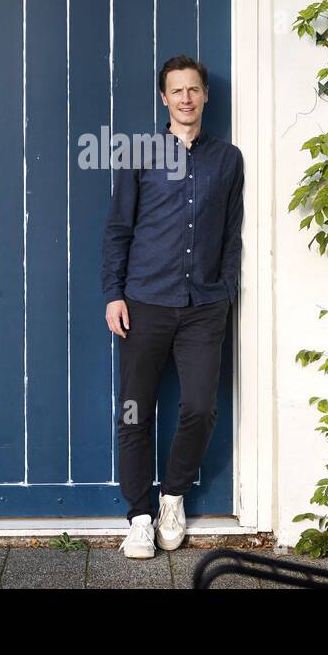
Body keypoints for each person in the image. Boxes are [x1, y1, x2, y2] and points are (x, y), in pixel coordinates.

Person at [101, 55, 244, 559]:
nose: (186, 98)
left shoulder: (228, 159)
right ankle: (139, 516)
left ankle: (173, 498)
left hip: (205, 305)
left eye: (194, 89)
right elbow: (119, 228)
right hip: (145, 302)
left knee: (201, 408)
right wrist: (113, 292)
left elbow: (231, 234)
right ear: (164, 99)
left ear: (205, 95)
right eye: (176, 90)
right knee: (135, 412)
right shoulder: (138, 154)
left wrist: (225, 289)